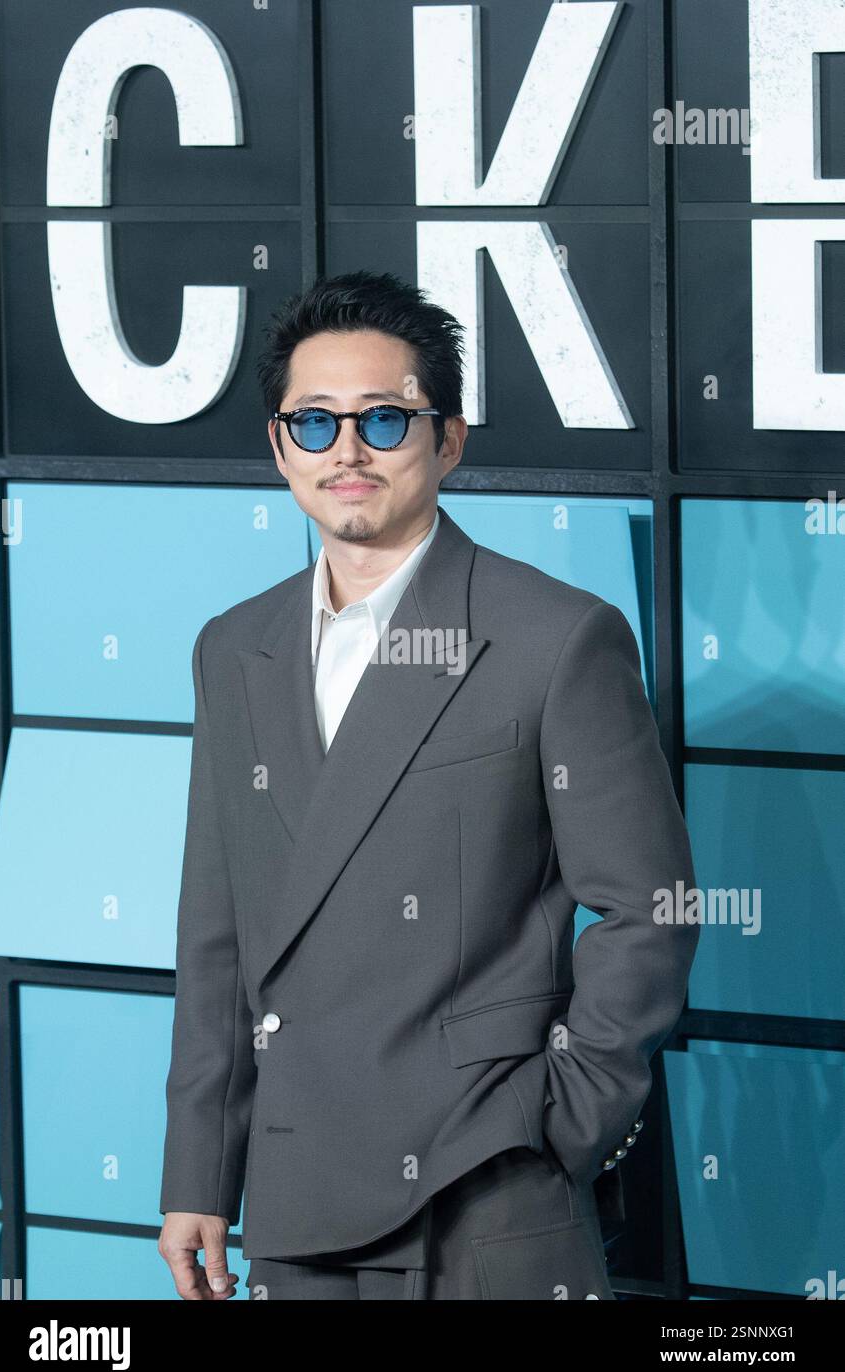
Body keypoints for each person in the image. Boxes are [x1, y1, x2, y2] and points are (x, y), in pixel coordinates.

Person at [157, 270, 699, 1300]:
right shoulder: (233, 648)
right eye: (312, 423)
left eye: (385, 419)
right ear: (278, 447)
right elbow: (219, 929)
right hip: (293, 1191)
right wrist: (198, 1172)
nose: (345, 451)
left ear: (446, 439)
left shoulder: (554, 635)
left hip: (482, 1194)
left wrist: (555, 1126)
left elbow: (648, 910)